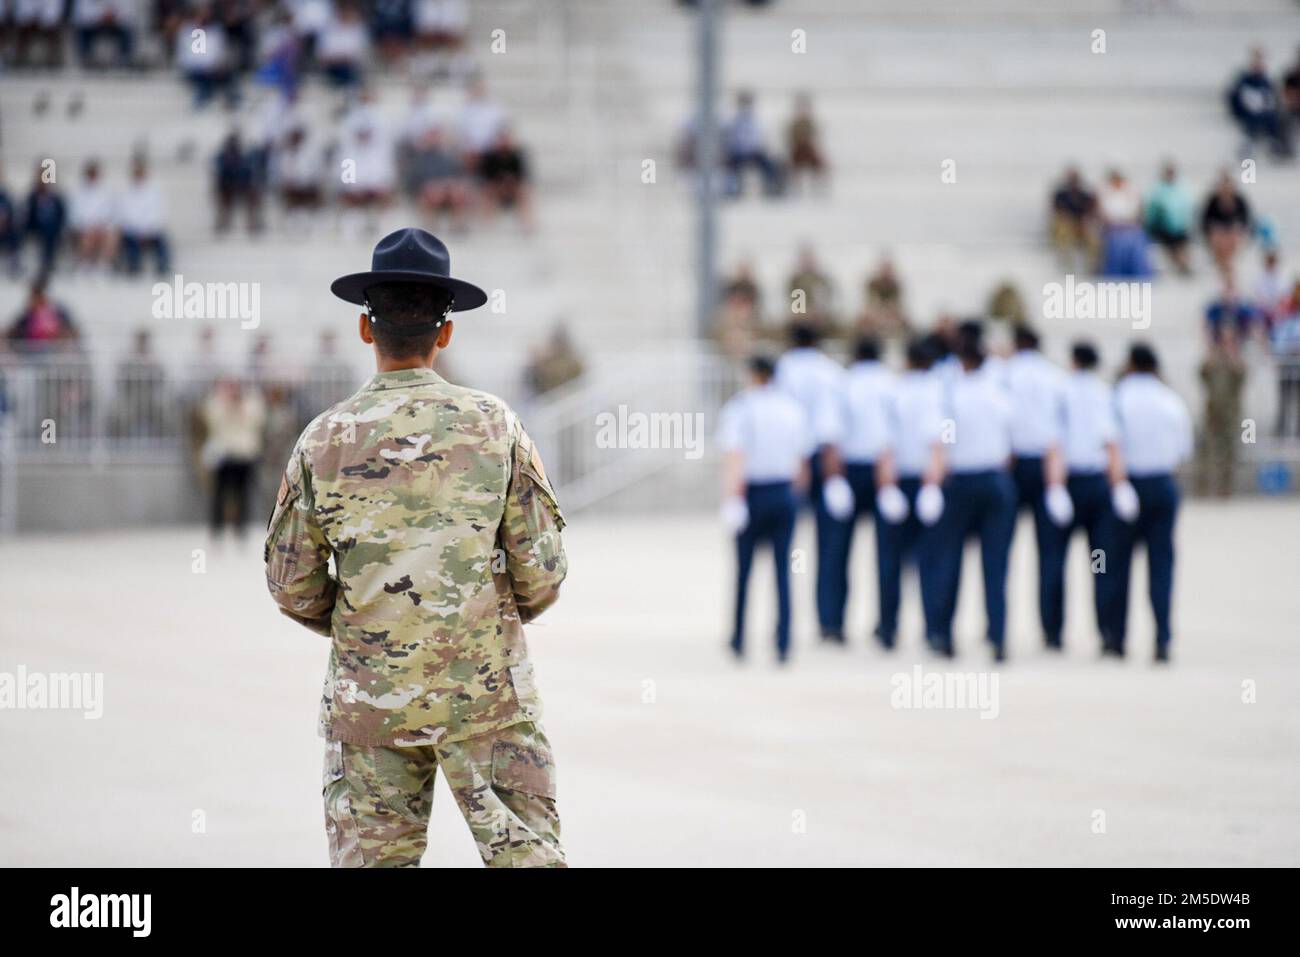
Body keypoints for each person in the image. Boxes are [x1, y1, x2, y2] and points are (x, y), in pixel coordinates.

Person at [265, 227, 567, 867]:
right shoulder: (495, 425)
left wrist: (367, 623)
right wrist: (483, 619)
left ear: (366, 330)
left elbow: (290, 582)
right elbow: (542, 570)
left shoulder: (324, 440)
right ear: (446, 332)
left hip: (369, 699)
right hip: (485, 695)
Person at [717, 354, 810, 663]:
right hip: (784, 491)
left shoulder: (741, 408)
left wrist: (733, 498)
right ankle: (783, 642)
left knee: (745, 570)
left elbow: (736, 457)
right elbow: (801, 461)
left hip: (753, 493)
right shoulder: (792, 409)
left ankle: (739, 638)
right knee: (783, 570)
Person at [929, 337, 1017, 661]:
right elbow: (1009, 448)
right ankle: (998, 637)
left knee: (949, 561)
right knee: (996, 566)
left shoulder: (954, 397)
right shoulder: (1000, 396)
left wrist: (934, 482)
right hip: (994, 480)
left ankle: (944, 635)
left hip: (961, 482)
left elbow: (944, 443)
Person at [1109, 343, 1193, 661]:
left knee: (1116, 567)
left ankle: (1116, 638)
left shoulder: (1117, 398)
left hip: (1127, 486)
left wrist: (1119, 484)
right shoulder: (1171, 401)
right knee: (1161, 567)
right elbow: (1182, 452)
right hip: (1162, 485)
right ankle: (1162, 639)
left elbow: (1109, 445)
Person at [1043, 341, 1128, 652]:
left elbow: (1055, 443)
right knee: (1100, 563)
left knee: (1055, 562)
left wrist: (1054, 486)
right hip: (1098, 483)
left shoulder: (1061, 391)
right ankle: (1107, 631)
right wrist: (1119, 484)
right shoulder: (1105, 392)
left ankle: (1053, 632)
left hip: (1069, 483)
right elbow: (1112, 442)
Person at [775, 321, 851, 642]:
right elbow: (832, 423)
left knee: (784, 550)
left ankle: (784, 625)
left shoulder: (784, 369)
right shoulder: (830, 371)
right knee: (831, 548)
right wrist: (835, 475)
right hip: (824, 457)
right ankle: (830, 621)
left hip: (791, 459)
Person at [816, 337, 895, 643]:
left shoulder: (843, 384)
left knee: (835, 553)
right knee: (887, 555)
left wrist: (834, 479)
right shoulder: (892, 385)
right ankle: (888, 626)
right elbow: (892, 440)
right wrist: (888, 483)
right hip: (882, 472)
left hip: (848, 471)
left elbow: (831, 438)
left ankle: (831, 623)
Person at [873, 337, 945, 650]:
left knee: (890, 562)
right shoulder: (939, 393)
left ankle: (889, 629)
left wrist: (887, 486)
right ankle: (934, 629)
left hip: (900, 480)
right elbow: (939, 445)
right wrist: (933, 485)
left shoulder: (894, 392)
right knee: (932, 562)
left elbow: (885, 446)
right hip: (926, 479)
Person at [1001, 326, 1069, 649]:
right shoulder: (1055, 377)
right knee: (1051, 555)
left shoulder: (1004, 375)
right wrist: (1057, 482)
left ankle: (997, 628)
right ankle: (1052, 630)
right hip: (1046, 466)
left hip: (1011, 466)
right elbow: (1059, 433)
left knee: (997, 554)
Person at [201, 376, 265, 538]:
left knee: (243, 493)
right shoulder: (217, 403)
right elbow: (210, 420)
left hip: (245, 454)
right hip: (224, 454)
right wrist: (226, 405)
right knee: (220, 493)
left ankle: (241, 528)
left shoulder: (250, 403)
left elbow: (257, 421)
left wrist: (240, 407)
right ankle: (217, 527)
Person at [1197, 329, 1246, 498]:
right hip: (1212, 410)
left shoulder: (1237, 359)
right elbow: (1202, 376)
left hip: (1231, 411)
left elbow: (1242, 377)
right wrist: (1209, 358)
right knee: (1207, 449)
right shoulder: (1213, 359)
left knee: (1229, 451)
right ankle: (1203, 487)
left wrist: (1233, 358)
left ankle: (1226, 489)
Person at [1226, 47, 1291, 158]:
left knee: (1274, 118)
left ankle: (1276, 145)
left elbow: (1272, 99)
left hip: (1265, 114)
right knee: (1255, 120)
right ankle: (1250, 145)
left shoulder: (1266, 81)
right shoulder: (1244, 80)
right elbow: (1236, 99)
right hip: (1248, 114)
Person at [723, 91, 783, 198]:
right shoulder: (734, 120)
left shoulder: (757, 120)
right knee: (729, 164)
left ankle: (772, 187)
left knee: (770, 164)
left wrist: (755, 149)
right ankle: (731, 189)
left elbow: (760, 138)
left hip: (755, 152)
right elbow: (731, 139)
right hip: (739, 153)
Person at [117, 157, 171, 276]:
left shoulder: (154, 192)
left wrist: (147, 230)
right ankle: (134, 266)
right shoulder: (126, 194)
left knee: (162, 239)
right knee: (129, 239)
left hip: (150, 230)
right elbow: (125, 215)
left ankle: (163, 266)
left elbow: (157, 214)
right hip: (133, 231)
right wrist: (138, 231)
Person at [1098, 168, 1152, 278]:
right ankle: (1115, 274)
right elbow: (1105, 214)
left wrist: (1130, 221)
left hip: (1131, 228)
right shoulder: (1105, 193)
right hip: (1112, 229)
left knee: (1136, 242)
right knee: (1117, 244)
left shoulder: (1131, 192)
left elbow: (1136, 213)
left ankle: (1138, 273)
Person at [1143, 162, 1194, 276]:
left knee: (1182, 239)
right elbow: (1153, 211)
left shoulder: (1181, 188)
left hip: (1178, 227)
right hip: (1161, 227)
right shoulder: (1157, 189)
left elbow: (1184, 210)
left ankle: (1183, 263)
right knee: (1172, 241)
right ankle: (1182, 264)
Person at [1201, 172, 1252, 283]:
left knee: (1233, 234)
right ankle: (1225, 268)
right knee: (1218, 236)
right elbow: (1205, 223)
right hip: (1218, 237)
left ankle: (1226, 267)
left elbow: (1245, 222)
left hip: (1232, 236)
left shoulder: (1239, 202)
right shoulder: (1213, 202)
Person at [68, 159, 118, 270]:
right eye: (91, 173)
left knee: (112, 235)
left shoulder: (105, 192)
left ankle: (104, 265)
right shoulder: (77, 192)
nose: (92, 176)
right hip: (83, 227)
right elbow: (73, 215)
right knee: (88, 234)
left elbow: (110, 212)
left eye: (94, 173)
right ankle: (84, 264)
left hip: (101, 227)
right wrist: (89, 225)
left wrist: (101, 225)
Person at [1049, 166, 1098, 272]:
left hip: (1080, 226)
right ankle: (1066, 261)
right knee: (1063, 232)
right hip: (1066, 226)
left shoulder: (1084, 195)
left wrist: (1082, 222)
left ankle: (1092, 265)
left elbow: (1089, 212)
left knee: (1093, 239)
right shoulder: (1061, 195)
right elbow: (1058, 212)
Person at [785, 92, 826, 194]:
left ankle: (818, 186)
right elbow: (791, 139)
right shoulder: (794, 123)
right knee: (794, 160)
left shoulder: (810, 123)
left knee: (817, 160)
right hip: (797, 150)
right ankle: (796, 187)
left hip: (808, 150)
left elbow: (815, 137)